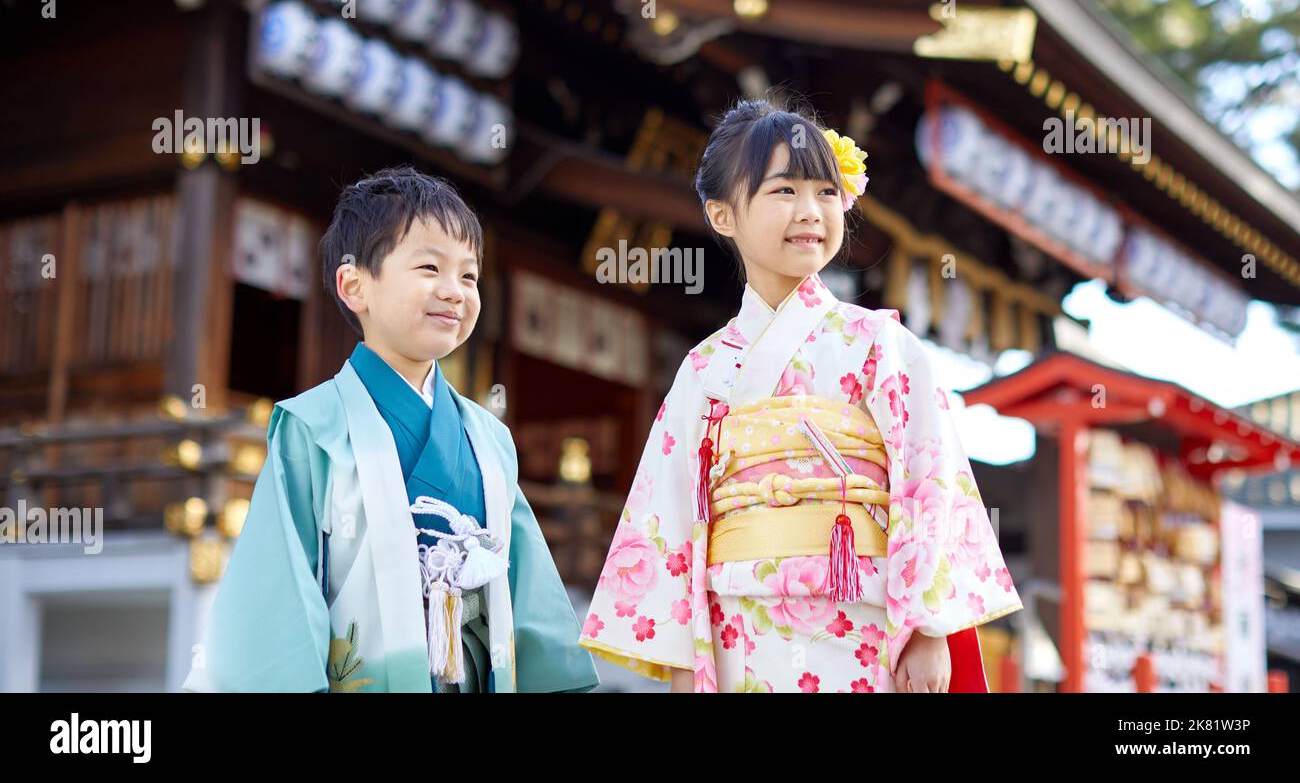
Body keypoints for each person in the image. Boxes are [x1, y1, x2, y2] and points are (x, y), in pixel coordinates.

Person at [579, 99, 1022, 693]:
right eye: (783, 191)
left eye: (826, 192)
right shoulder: (705, 369)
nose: (810, 212)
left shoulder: (879, 344)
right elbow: (671, 515)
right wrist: (685, 662)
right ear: (722, 214)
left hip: (863, 617)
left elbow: (930, 477)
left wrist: (928, 629)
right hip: (737, 623)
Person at [184, 167, 597, 693]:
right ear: (355, 286)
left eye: (469, 276)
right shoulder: (313, 427)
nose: (454, 291)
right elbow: (278, 595)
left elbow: (530, 595)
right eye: (430, 267)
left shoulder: (490, 439)